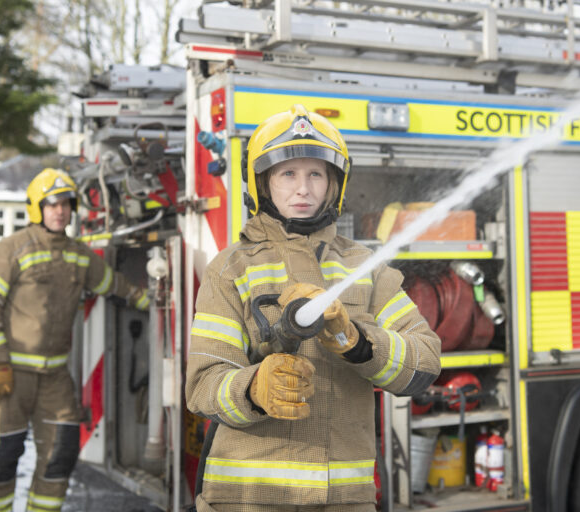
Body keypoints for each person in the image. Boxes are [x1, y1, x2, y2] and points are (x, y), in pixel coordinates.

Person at [185, 104, 442, 511]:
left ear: (334, 184)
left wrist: (358, 343)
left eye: (315, 174)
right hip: (248, 500)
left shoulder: (364, 267)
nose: (303, 188)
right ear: (262, 183)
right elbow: (202, 387)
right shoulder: (231, 269)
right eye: (288, 173)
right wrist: (253, 389)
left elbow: (424, 363)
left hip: (346, 501)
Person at [0, 168, 149, 512]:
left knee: (60, 456)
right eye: (52, 204)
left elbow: (113, 284)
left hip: (55, 379)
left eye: (66, 204)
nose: (60, 211)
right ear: (37, 208)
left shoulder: (77, 253)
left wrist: (150, 300)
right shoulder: (10, 249)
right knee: (2, 458)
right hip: (10, 375)